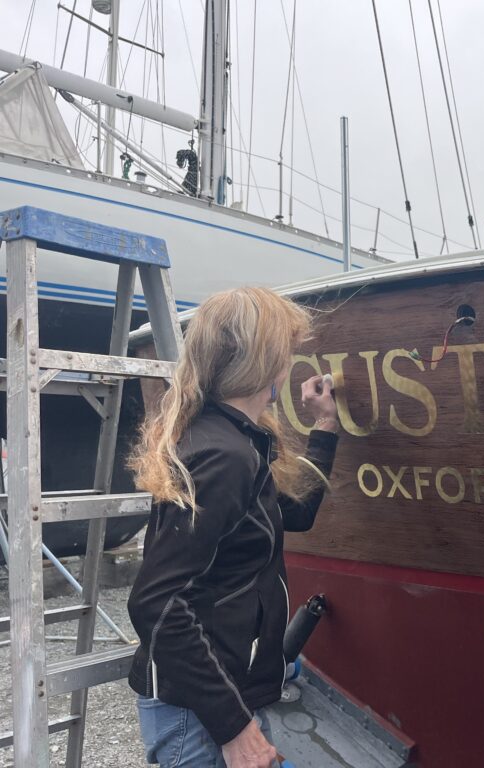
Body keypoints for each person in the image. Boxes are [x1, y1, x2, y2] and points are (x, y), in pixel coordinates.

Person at [126, 287, 340, 768]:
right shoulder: (224, 455)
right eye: (286, 350)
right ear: (267, 363)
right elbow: (155, 603)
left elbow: (297, 514)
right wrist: (235, 728)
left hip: (218, 698)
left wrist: (324, 427)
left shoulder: (234, 439)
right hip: (200, 714)